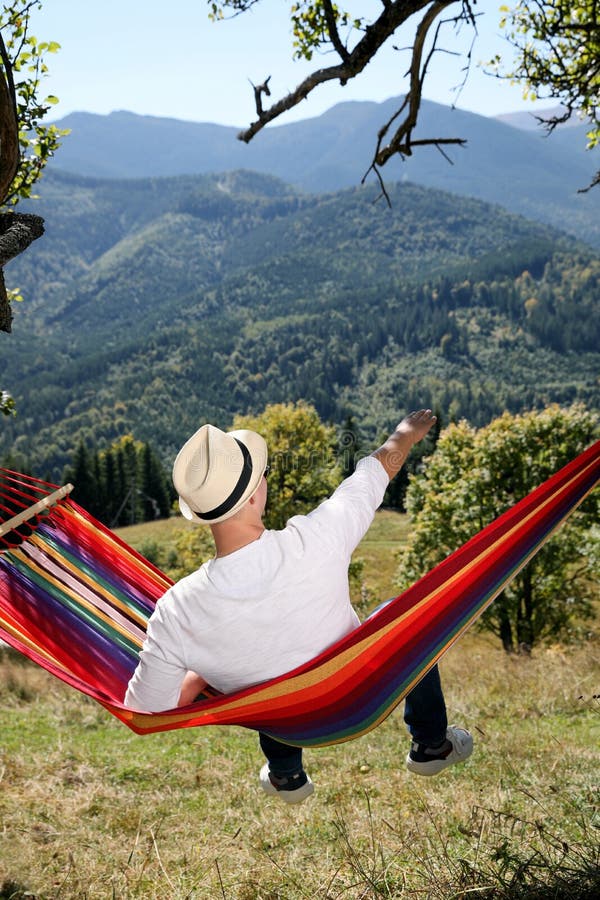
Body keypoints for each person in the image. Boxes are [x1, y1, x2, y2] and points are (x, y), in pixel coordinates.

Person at [124, 410, 473, 804]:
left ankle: (285, 774)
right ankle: (431, 744)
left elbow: (146, 711)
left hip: (287, 725)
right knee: (401, 613)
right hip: (360, 698)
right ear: (254, 495)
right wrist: (405, 434)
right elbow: (372, 475)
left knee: (264, 676)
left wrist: (199, 676)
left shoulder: (177, 612)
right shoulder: (317, 537)